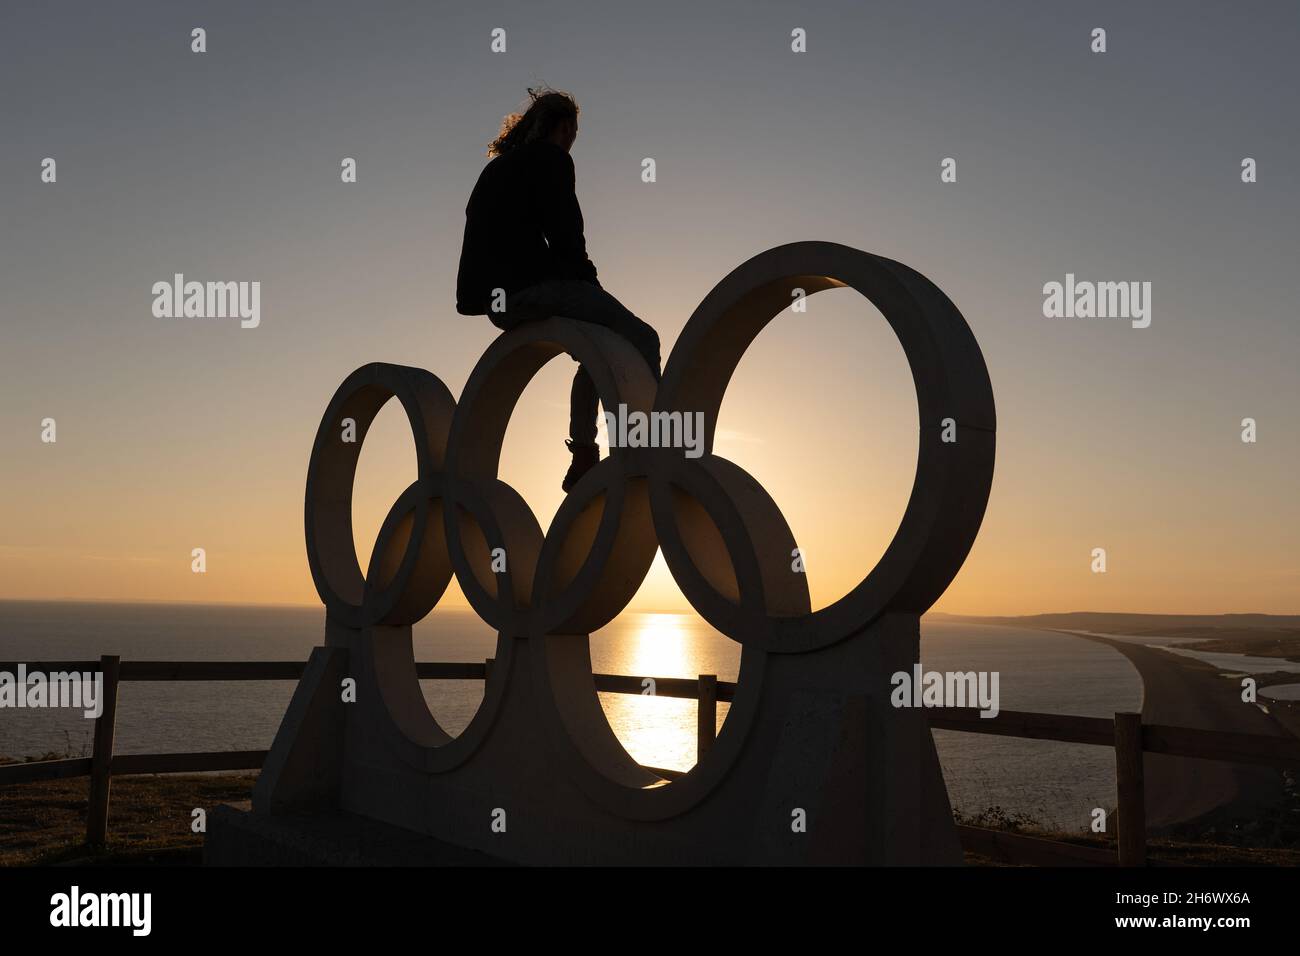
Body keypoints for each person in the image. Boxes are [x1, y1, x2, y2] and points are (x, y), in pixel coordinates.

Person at [456, 87, 661, 492]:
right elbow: (566, 231)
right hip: (536, 289)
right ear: (565, 127)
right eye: (573, 134)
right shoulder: (551, 159)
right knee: (640, 338)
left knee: (600, 346)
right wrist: (588, 279)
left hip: (500, 304)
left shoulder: (494, 170)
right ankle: (644, 452)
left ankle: (584, 453)